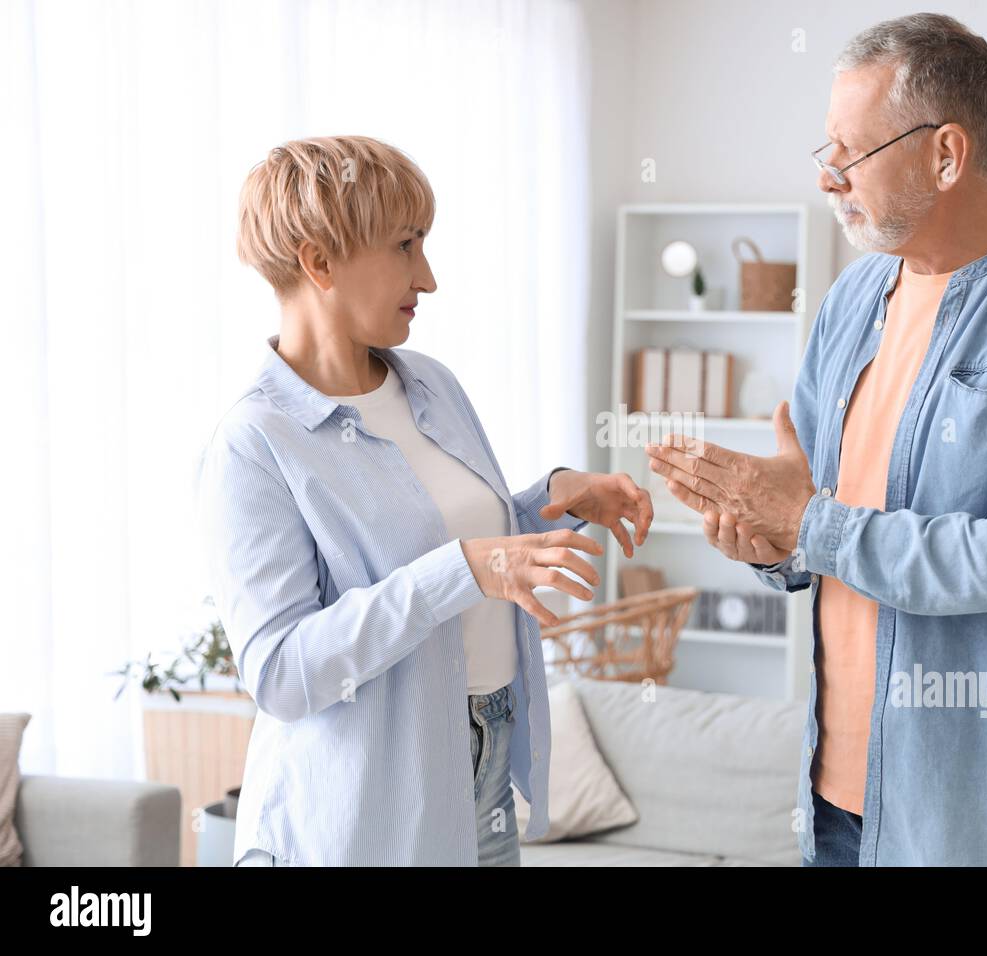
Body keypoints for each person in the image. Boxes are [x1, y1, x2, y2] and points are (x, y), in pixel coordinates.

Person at [645, 13, 987, 867]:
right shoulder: (851, 299)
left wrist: (809, 523)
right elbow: (813, 520)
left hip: (979, 818)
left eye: (849, 151)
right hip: (833, 799)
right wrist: (767, 538)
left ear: (945, 155)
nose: (826, 177)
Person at [200, 135, 653, 866]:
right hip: (359, 817)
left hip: (485, 766)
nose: (429, 277)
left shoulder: (430, 382)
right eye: (407, 245)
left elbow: (436, 540)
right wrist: (465, 570)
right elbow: (282, 673)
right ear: (319, 262)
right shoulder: (256, 442)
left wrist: (549, 501)